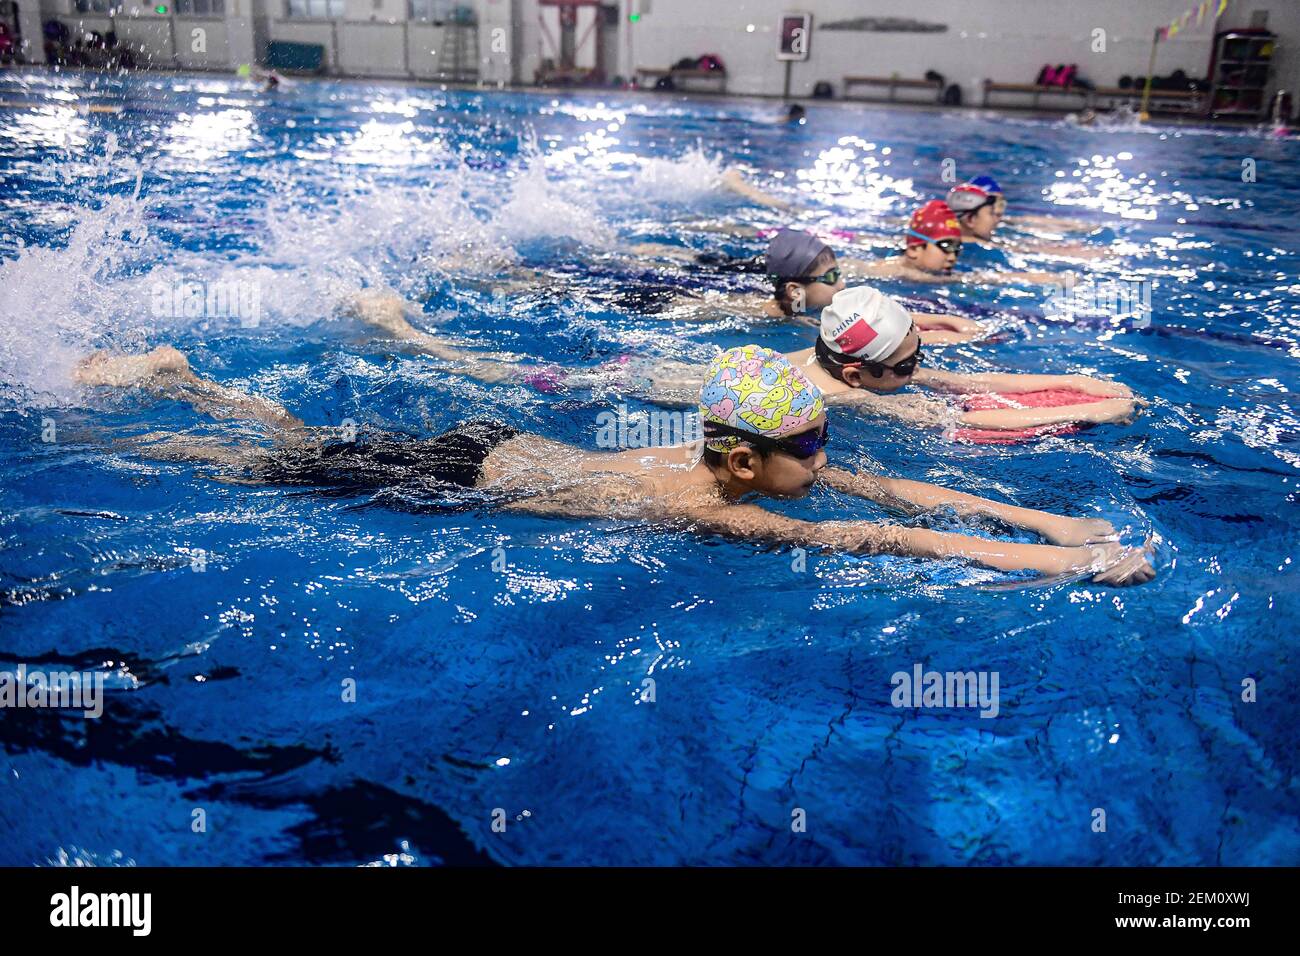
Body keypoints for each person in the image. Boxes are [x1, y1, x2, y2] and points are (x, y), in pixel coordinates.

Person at [71, 344, 1155, 584]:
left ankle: (182, 385)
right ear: (739, 459)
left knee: (302, 445)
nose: (829, 457)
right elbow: (874, 534)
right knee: (247, 468)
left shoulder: (745, 464)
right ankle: (158, 411)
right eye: (810, 442)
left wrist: (1054, 523)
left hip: (498, 448)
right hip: (460, 479)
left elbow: (901, 491)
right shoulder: (728, 509)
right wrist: (1067, 567)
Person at [786, 286, 1138, 437]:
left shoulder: (825, 354)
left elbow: (967, 381)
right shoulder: (847, 397)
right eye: (907, 366)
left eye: (918, 352)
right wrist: (1086, 412)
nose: (918, 369)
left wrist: (1071, 382)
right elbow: (967, 420)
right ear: (854, 375)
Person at [844, 200, 1062, 285]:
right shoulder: (896, 272)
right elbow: (972, 279)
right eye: (946, 246)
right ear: (913, 250)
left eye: (958, 248)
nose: (953, 255)